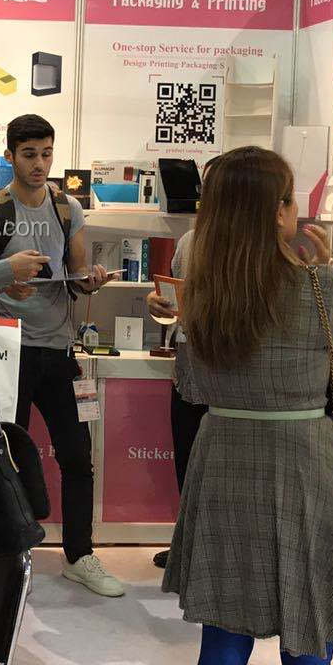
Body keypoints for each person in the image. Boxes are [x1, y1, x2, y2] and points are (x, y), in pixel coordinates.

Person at [163, 145, 333, 665]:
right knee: (309, 657)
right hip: (309, 466)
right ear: (277, 211)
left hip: (223, 462)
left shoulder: (202, 294)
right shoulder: (322, 285)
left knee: (221, 653)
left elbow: (190, 387)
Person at [0, 114, 120, 597]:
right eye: (29, 154)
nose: (39, 163)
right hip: (7, 350)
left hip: (58, 348)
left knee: (77, 455)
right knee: (3, 458)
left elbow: (77, 273)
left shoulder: (67, 207)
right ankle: (5, 558)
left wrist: (91, 279)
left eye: (47, 153)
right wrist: (4, 275)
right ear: (10, 155)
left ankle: (80, 554)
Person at [146, 225, 209, 570]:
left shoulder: (253, 241)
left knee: (222, 472)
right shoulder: (189, 241)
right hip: (188, 373)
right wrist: (156, 302)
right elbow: (172, 298)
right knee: (186, 464)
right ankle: (188, 545)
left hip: (230, 381)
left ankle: (212, 552)